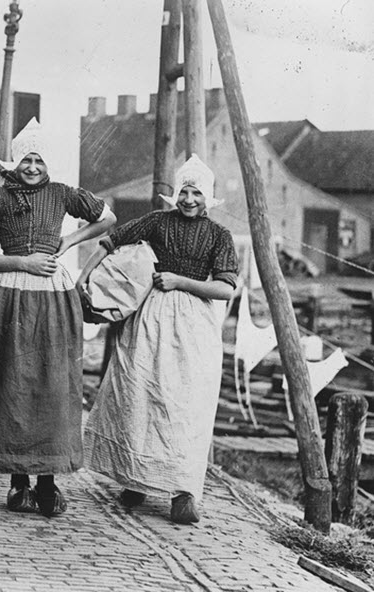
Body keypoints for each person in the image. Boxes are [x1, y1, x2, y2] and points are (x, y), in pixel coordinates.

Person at [0, 119, 116, 517]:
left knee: (52, 384)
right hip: (6, 294)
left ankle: (48, 481)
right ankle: (18, 481)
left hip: (52, 298)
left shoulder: (61, 194)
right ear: (13, 162)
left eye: (39, 160)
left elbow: (107, 218)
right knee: (10, 381)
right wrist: (22, 261)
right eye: (26, 159)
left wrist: (69, 241)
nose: (32, 167)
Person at [80, 155, 238, 524]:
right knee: (139, 392)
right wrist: (83, 280)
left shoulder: (219, 236)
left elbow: (225, 289)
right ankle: (136, 478)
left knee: (185, 404)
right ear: (176, 193)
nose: (188, 200)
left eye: (197, 193)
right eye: (184, 191)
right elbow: (110, 241)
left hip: (194, 327)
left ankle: (184, 492)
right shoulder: (157, 221)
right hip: (148, 319)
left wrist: (180, 281)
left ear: (208, 198)